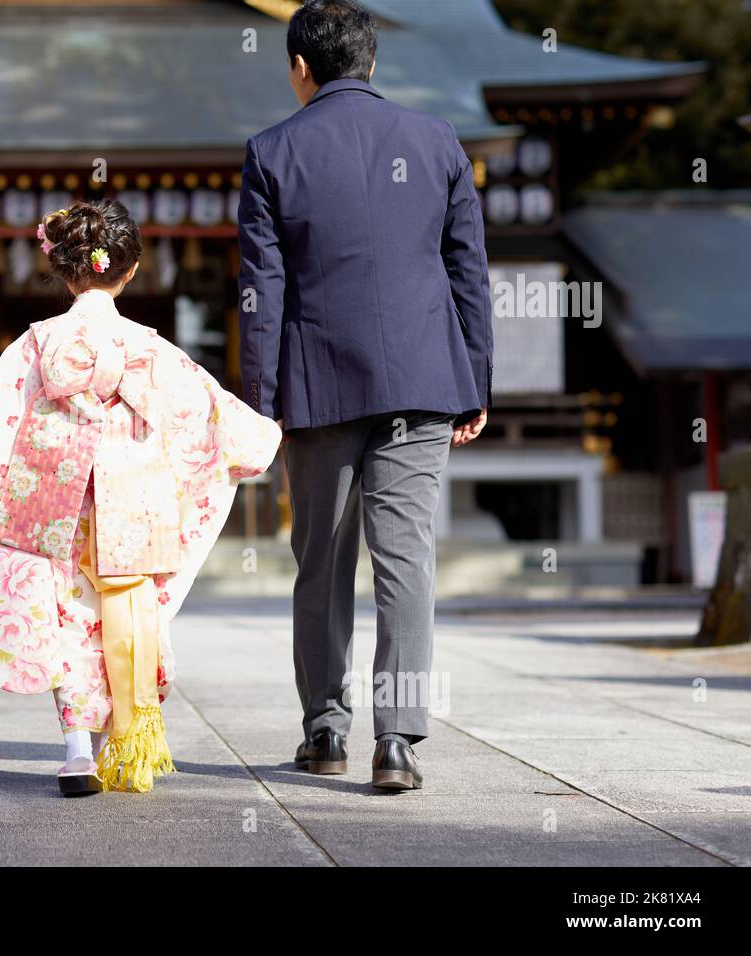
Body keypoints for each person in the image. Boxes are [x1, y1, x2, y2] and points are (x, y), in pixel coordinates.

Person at [0, 200, 281, 795]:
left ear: (60, 270)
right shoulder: (155, 349)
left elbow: (1, 425)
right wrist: (263, 435)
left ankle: (77, 750)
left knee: (66, 616)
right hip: (133, 502)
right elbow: (203, 415)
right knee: (127, 612)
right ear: (130, 272)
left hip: (54, 500)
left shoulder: (32, 346)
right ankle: (122, 739)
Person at [237, 0, 494, 790]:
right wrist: (475, 380)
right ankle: (398, 743)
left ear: (300, 69)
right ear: (371, 64)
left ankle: (324, 730)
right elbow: (468, 275)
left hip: (318, 388)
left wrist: (263, 399)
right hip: (422, 381)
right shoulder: (437, 140)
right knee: (406, 564)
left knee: (320, 562)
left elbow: (263, 289)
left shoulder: (273, 150)